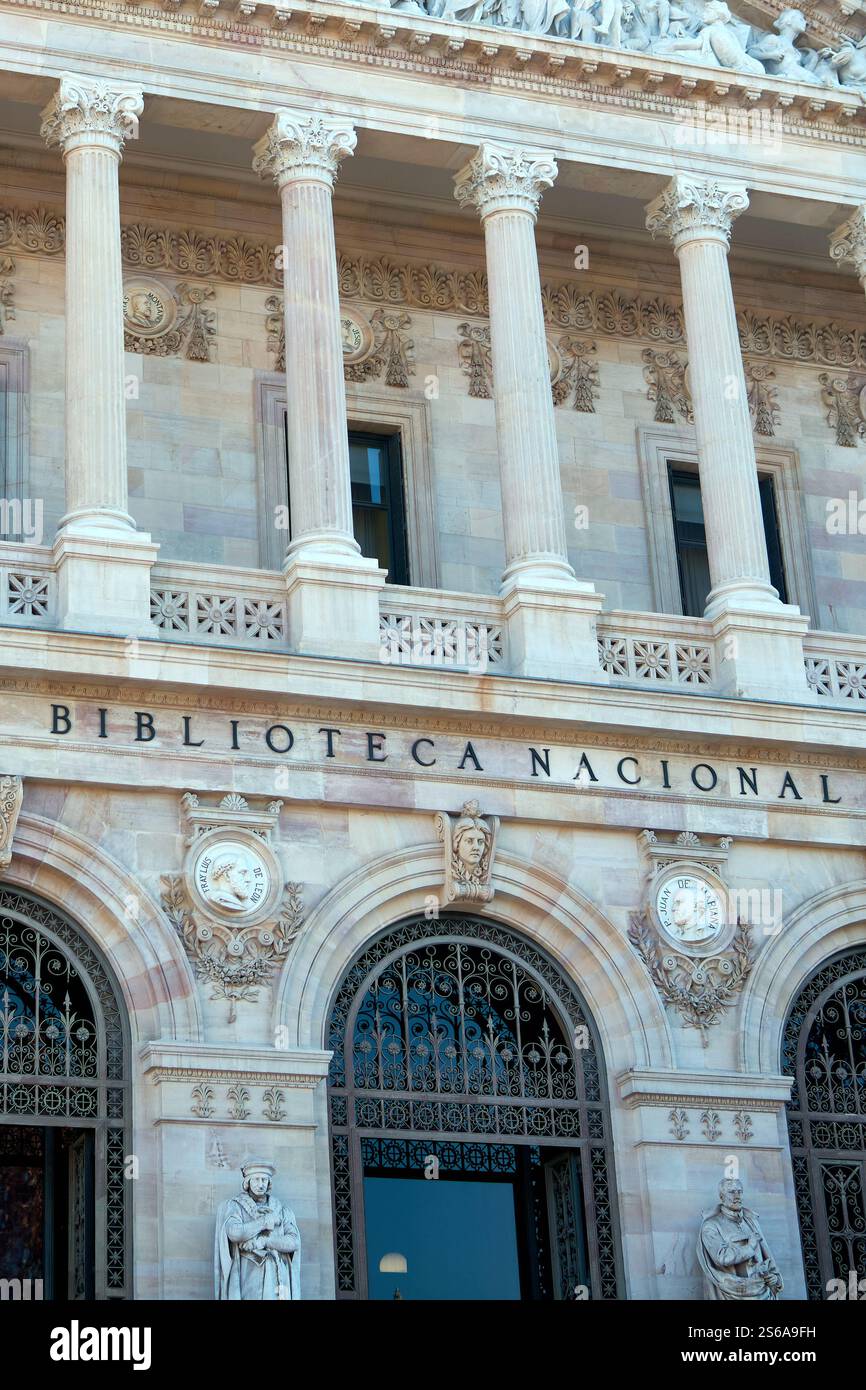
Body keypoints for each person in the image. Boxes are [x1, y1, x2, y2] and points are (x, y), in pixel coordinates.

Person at [214, 1160, 301, 1300]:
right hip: (248, 1274)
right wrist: (264, 1222)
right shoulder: (236, 1206)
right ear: (248, 1182)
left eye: (264, 1180)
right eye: (256, 1180)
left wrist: (265, 1241)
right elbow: (233, 1233)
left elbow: (294, 1242)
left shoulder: (282, 1210)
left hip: (277, 1275)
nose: (260, 1184)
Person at [697, 1179, 783, 1300]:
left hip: (763, 1291)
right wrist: (749, 1247)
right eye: (732, 1192)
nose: (737, 1196)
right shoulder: (711, 1225)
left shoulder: (751, 1221)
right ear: (722, 1196)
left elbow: (767, 1255)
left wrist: (775, 1277)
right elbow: (721, 1257)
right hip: (732, 1292)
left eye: (740, 1191)